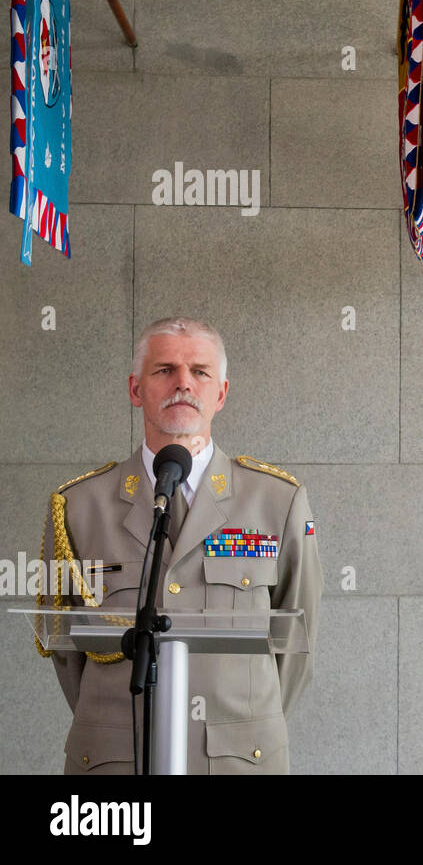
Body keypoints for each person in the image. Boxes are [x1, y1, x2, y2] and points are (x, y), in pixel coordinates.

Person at [37, 317, 322, 774]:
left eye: (200, 372)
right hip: (118, 758)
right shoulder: (78, 506)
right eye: (164, 370)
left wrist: (242, 727)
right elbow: (68, 652)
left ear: (221, 393)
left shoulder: (278, 501)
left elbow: (296, 638)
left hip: (238, 760)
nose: (183, 383)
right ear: (136, 390)